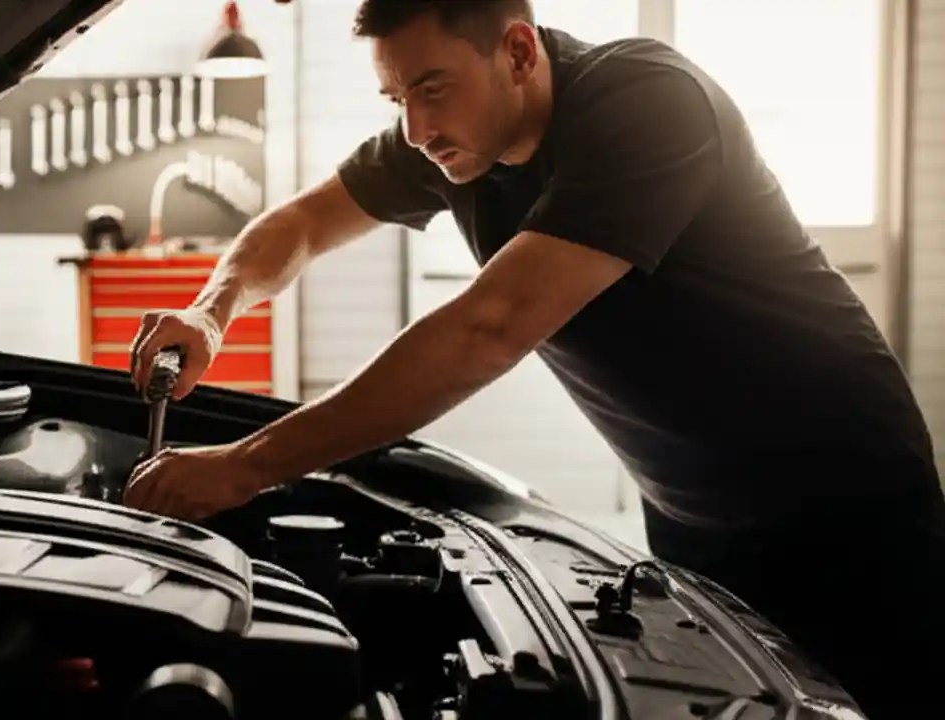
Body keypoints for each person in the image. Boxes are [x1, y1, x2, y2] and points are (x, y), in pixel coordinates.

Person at [123, 1, 944, 716]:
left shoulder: (648, 101)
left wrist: (249, 464)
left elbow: (493, 325)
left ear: (517, 52)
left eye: (432, 87)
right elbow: (300, 225)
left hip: (842, 501)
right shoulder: (442, 146)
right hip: (695, 515)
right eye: (396, 96)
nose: (414, 127)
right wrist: (212, 307)